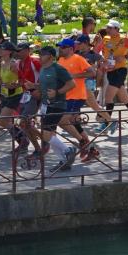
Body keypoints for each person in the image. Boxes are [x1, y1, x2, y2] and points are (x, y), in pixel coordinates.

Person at [37, 43, 88, 174]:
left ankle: (67, 151)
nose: (40, 56)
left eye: (43, 54)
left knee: (45, 134)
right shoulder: (43, 69)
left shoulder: (58, 68)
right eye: (40, 53)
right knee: (50, 135)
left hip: (57, 105)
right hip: (45, 106)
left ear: (50, 56)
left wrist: (57, 92)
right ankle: (63, 161)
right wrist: (34, 86)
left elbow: (72, 83)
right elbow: (43, 86)